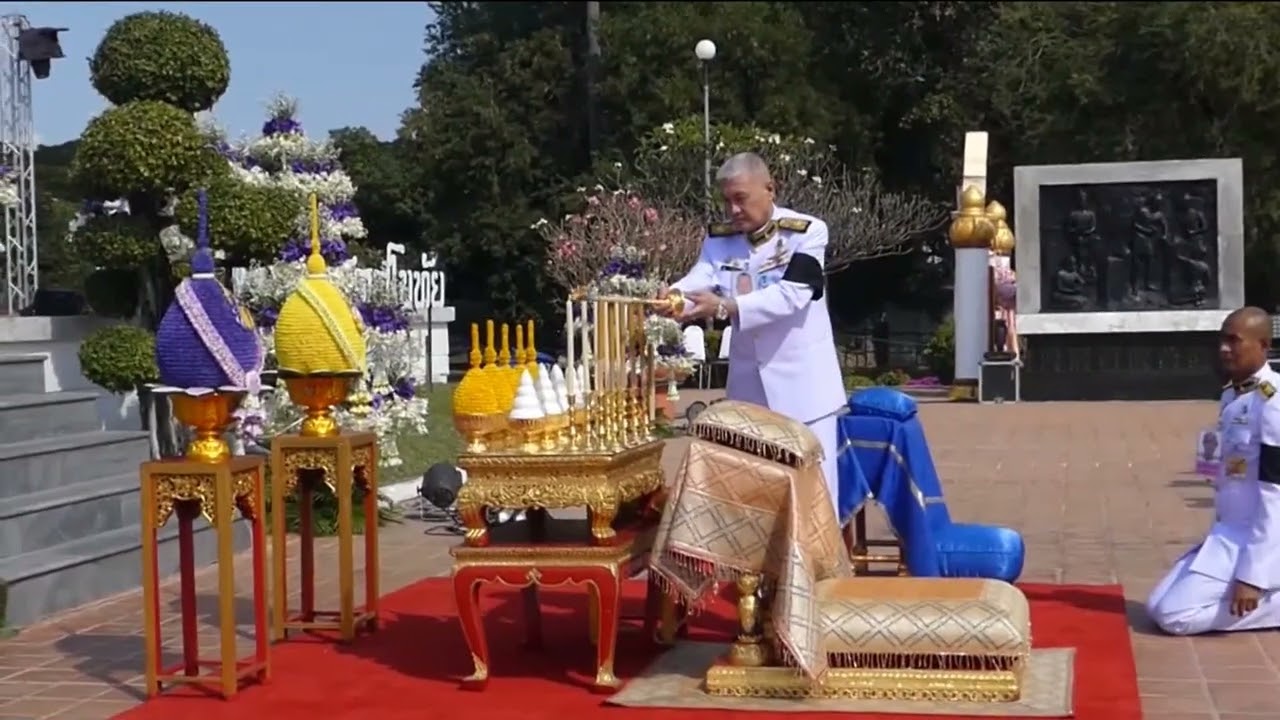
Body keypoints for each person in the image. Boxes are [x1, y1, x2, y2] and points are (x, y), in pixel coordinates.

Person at [656, 152, 846, 519]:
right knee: (754, 496)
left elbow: (794, 294)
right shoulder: (720, 240)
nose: (733, 209)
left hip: (805, 389)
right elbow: (701, 278)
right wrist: (673, 298)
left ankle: (822, 574)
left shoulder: (806, 232)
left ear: (769, 188)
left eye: (740, 198)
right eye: (727, 200)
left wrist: (726, 307)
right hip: (749, 390)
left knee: (815, 499)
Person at [1146, 306, 1280, 635]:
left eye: (1234, 341)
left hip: (1255, 539)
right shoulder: (1234, 393)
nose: (1224, 348)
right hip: (1227, 533)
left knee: (1175, 616)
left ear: (1263, 345)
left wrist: (1253, 576)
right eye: (1222, 340)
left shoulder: (1273, 400)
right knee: (1155, 604)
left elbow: (1275, 494)